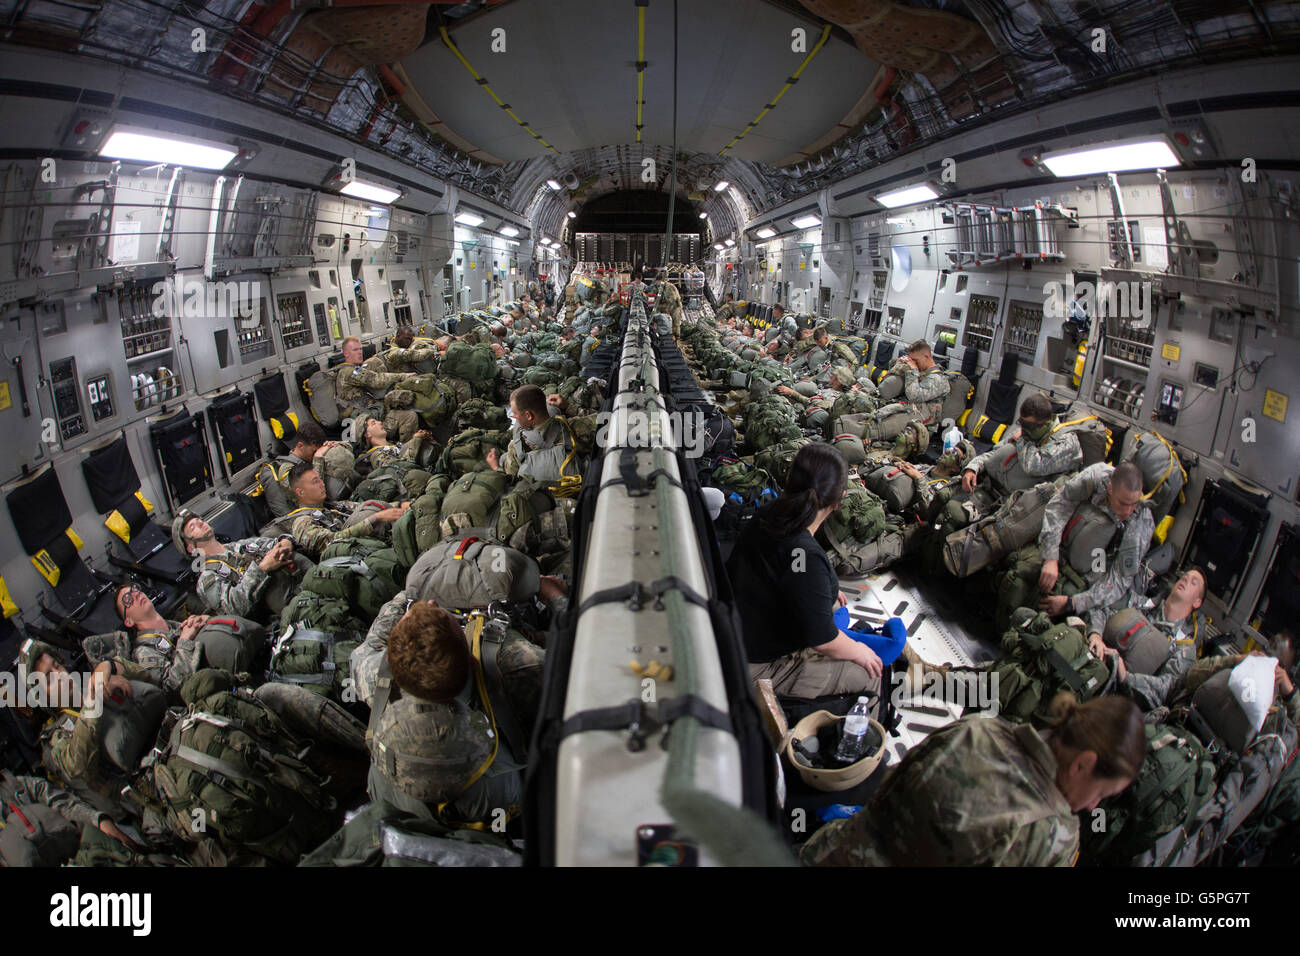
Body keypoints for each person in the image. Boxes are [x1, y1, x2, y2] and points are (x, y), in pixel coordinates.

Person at [801, 694, 1145, 866]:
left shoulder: (979, 728)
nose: (1093, 805)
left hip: (831, 853)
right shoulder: (1054, 836)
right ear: (1083, 764)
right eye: (1102, 793)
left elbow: (891, 787)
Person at [361, 600, 548, 826]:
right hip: (494, 807)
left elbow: (370, 647)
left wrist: (405, 600)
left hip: (399, 809)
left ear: (389, 662)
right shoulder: (522, 673)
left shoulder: (372, 678)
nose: (431, 601)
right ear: (472, 660)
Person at [727, 443, 883, 701]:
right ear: (839, 500)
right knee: (870, 675)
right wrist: (857, 651)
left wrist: (822, 589)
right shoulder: (806, 556)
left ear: (788, 480)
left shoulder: (767, 515)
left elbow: (790, 572)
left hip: (735, 630)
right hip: (752, 667)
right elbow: (825, 642)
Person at [995, 461, 1152, 633]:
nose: (1128, 511)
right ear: (1110, 489)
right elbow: (1058, 507)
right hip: (1060, 550)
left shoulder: (1140, 521)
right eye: (1123, 503)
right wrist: (1050, 557)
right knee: (1014, 579)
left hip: (1092, 572)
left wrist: (1073, 603)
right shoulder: (1094, 478)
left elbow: (1119, 579)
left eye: (1134, 504)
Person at [1088, 565, 1207, 711]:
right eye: (1184, 577)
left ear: (1197, 602)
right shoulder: (1140, 604)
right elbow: (1101, 605)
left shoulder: (1184, 648)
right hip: (1093, 659)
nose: (1186, 579)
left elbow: (1166, 690)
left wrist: (1126, 677)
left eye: (1193, 582)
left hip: (1119, 701)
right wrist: (1095, 634)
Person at [956, 393, 1084, 522]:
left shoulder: (1066, 444)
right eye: (1022, 423)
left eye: (1028, 426)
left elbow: (1033, 466)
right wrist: (973, 468)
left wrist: (1021, 441)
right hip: (987, 485)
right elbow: (994, 452)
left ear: (1045, 424)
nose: (1024, 429)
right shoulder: (1027, 430)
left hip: (1015, 509)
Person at [172, 508, 301, 620]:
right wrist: (263, 568)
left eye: (199, 520)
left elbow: (275, 542)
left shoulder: (239, 547)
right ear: (190, 548)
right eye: (192, 527)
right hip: (278, 611)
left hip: (295, 585)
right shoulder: (207, 579)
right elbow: (235, 608)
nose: (200, 523)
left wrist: (285, 543)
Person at [270, 461, 406, 558]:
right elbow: (331, 543)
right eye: (315, 481)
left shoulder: (333, 507)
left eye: (320, 479)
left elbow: (363, 506)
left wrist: (400, 506)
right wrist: (374, 520)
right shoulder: (302, 522)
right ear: (300, 492)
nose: (322, 484)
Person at [488, 384, 588, 486]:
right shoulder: (575, 428)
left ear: (528, 415)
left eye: (515, 413)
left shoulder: (516, 448)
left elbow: (513, 490)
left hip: (542, 495)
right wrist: (569, 407)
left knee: (503, 459)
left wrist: (497, 469)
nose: (514, 416)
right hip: (577, 482)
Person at [866, 340, 950, 458]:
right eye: (911, 360)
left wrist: (912, 370)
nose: (913, 363)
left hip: (922, 424)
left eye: (915, 360)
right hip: (907, 411)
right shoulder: (921, 372)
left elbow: (914, 396)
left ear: (926, 356)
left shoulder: (938, 379)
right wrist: (899, 364)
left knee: (874, 429)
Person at [255, 421, 339, 518]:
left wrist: (332, 449)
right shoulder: (279, 471)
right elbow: (284, 512)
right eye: (313, 451)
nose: (315, 454)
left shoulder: (311, 460)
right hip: (304, 521)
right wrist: (318, 458)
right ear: (300, 446)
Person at [333, 335, 416, 421]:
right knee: (409, 416)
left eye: (360, 349)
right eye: (355, 350)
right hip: (360, 418)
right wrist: (403, 376)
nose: (360, 352)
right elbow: (376, 380)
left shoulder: (353, 369)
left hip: (366, 410)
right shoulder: (349, 371)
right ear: (346, 353)